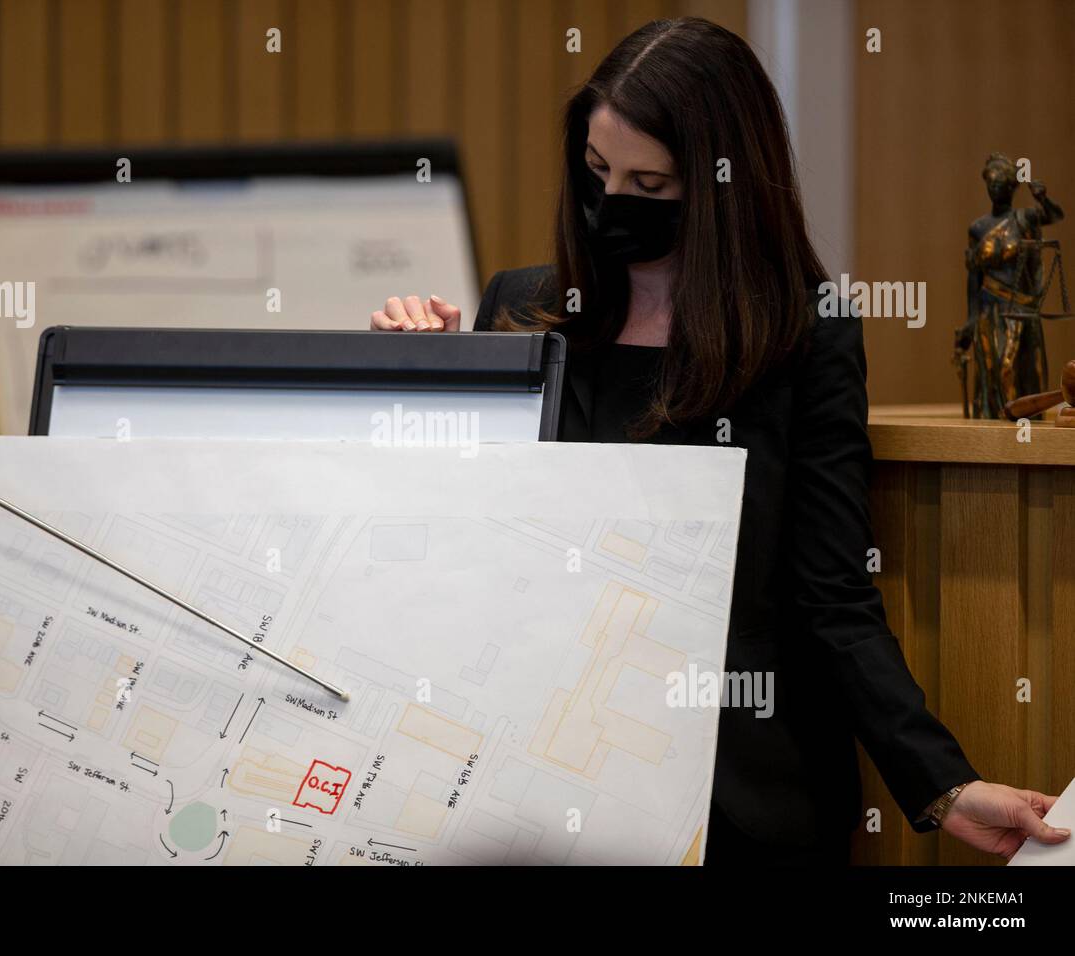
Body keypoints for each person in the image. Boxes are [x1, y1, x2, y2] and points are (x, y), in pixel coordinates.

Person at [370, 16, 1070, 865]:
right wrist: (418, 378)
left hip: (740, 798)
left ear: (722, 185)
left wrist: (944, 785)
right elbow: (466, 550)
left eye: (650, 184)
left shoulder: (807, 335)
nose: (612, 203)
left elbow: (833, 597)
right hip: (538, 779)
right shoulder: (521, 309)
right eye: (597, 173)